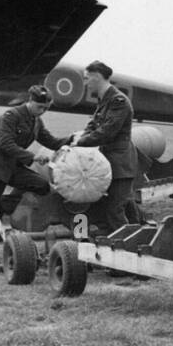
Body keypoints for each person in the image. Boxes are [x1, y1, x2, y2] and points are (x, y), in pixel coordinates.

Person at [0, 85, 68, 269]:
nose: (43, 111)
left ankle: (2, 205)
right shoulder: (11, 116)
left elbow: (52, 141)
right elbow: (5, 143)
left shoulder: (36, 121)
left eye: (46, 108)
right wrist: (32, 157)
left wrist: (74, 139)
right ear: (30, 101)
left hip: (12, 167)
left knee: (40, 184)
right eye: (40, 107)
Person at [70, 60, 137, 237]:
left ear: (97, 77)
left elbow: (107, 132)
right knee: (109, 208)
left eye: (87, 79)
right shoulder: (105, 100)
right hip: (107, 164)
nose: (85, 83)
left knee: (115, 211)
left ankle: (129, 251)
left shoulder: (118, 101)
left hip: (120, 165)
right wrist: (81, 137)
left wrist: (81, 142)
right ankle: (118, 242)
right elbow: (93, 125)